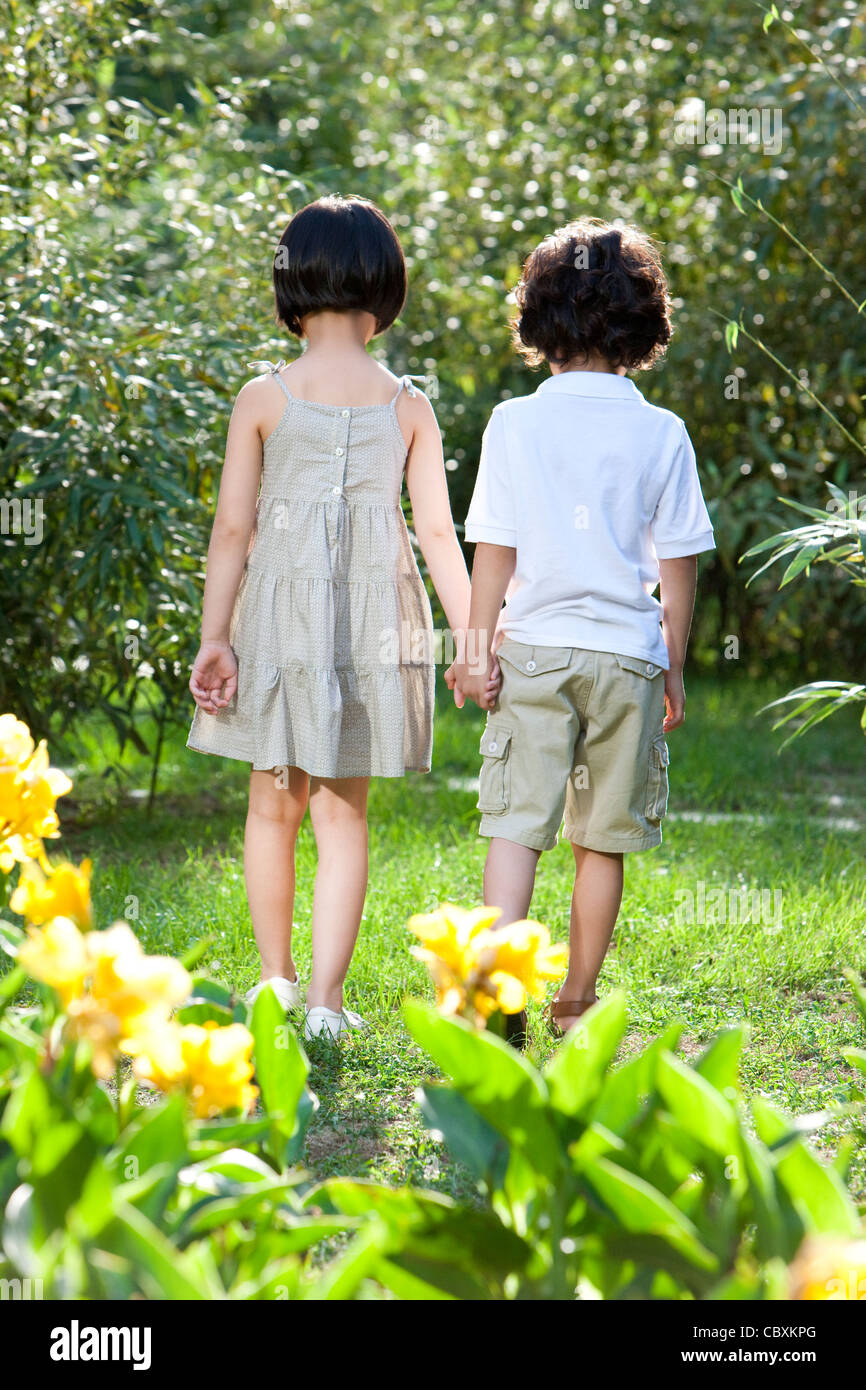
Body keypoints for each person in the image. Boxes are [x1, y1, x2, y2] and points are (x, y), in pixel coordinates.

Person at [188, 195, 492, 1039]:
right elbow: (437, 531)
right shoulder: (409, 405)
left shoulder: (264, 395)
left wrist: (217, 636)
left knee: (270, 805)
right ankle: (327, 1001)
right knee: (342, 813)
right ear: (385, 289)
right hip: (373, 621)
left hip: (279, 619)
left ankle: (275, 982)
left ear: (289, 285)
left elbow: (232, 531)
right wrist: (469, 641)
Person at [447, 217, 715, 1040]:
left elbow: (493, 552)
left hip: (532, 651)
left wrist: (472, 651)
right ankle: (576, 1001)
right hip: (627, 659)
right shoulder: (661, 432)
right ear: (643, 321)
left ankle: (497, 997)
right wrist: (671, 665)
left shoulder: (513, 423)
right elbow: (679, 564)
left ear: (539, 316)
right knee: (603, 841)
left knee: (515, 828)